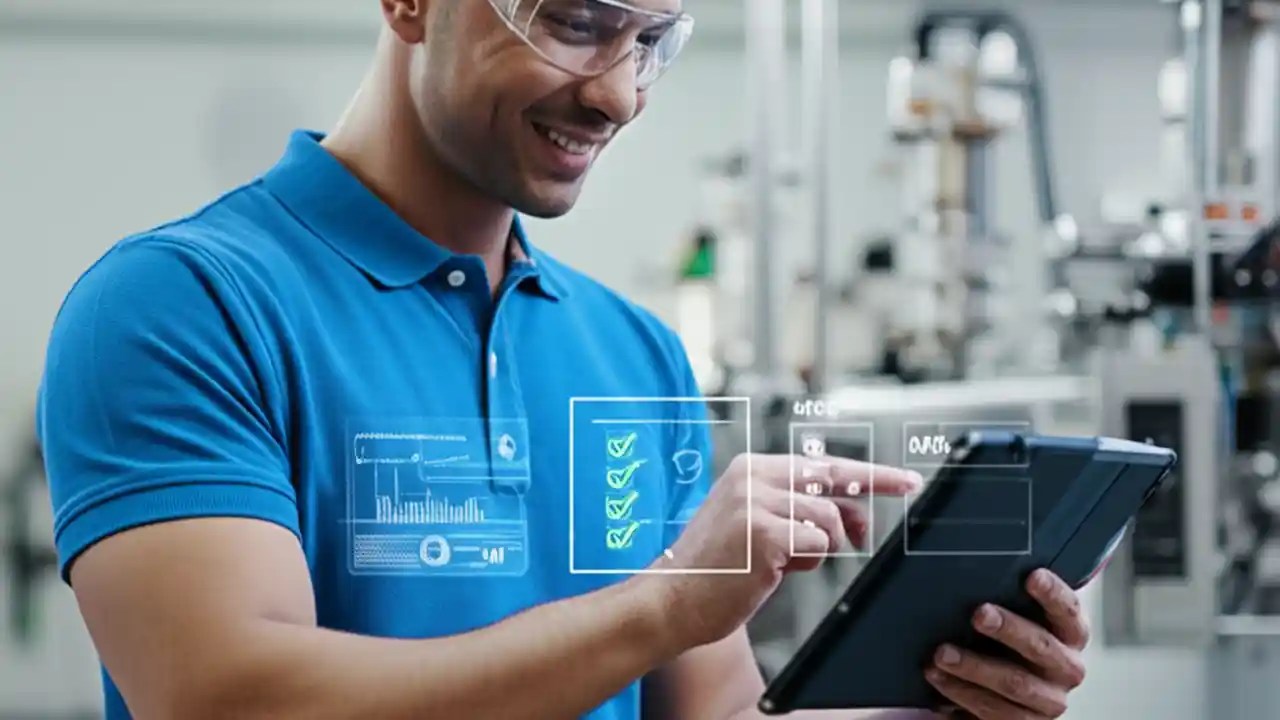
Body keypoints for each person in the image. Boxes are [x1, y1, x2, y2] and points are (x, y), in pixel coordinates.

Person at [37, 1, 1090, 718]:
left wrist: (943, 697)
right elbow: (232, 697)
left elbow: (712, 710)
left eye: (649, 42)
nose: (618, 95)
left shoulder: (630, 353)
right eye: (577, 23)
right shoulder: (180, 305)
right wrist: (662, 603)